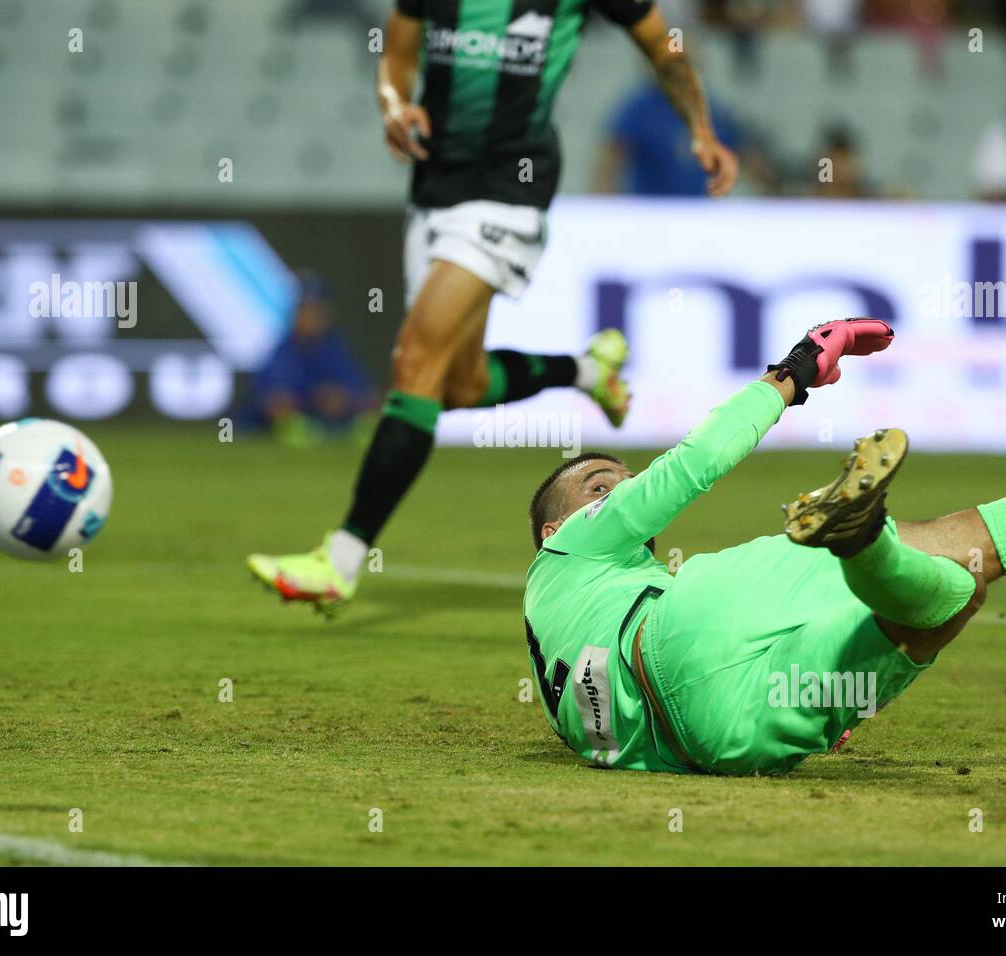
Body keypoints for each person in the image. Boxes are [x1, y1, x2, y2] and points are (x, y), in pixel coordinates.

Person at [248, 0, 740, 613]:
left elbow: (663, 49)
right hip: (433, 190)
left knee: (414, 365)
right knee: (455, 383)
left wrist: (699, 128)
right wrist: (394, 105)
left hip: (509, 190)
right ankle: (590, 372)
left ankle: (340, 561)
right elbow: (398, 53)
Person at [523, 318, 1006, 774]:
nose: (621, 489)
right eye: (598, 483)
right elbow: (696, 462)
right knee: (966, 545)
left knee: (951, 601)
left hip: (721, 743)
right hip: (678, 629)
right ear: (553, 530)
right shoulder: (568, 550)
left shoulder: (557, 638)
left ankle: (866, 545)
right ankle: (862, 542)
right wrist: (792, 373)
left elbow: (598, 723)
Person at [245, 271, 374, 447]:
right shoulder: (284, 352)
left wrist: (344, 398)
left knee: (371, 419)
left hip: (334, 424)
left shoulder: (335, 348)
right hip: (293, 427)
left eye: (318, 309)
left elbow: (366, 395)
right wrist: (310, 400)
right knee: (288, 421)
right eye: (306, 309)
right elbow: (271, 401)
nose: (313, 316)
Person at [595, 80, 777, 196]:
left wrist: (776, 192)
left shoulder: (710, 108)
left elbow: (742, 153)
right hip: (651, 215)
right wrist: (605, 206)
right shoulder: (640, 108)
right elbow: (611, 158)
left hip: (697, 217)